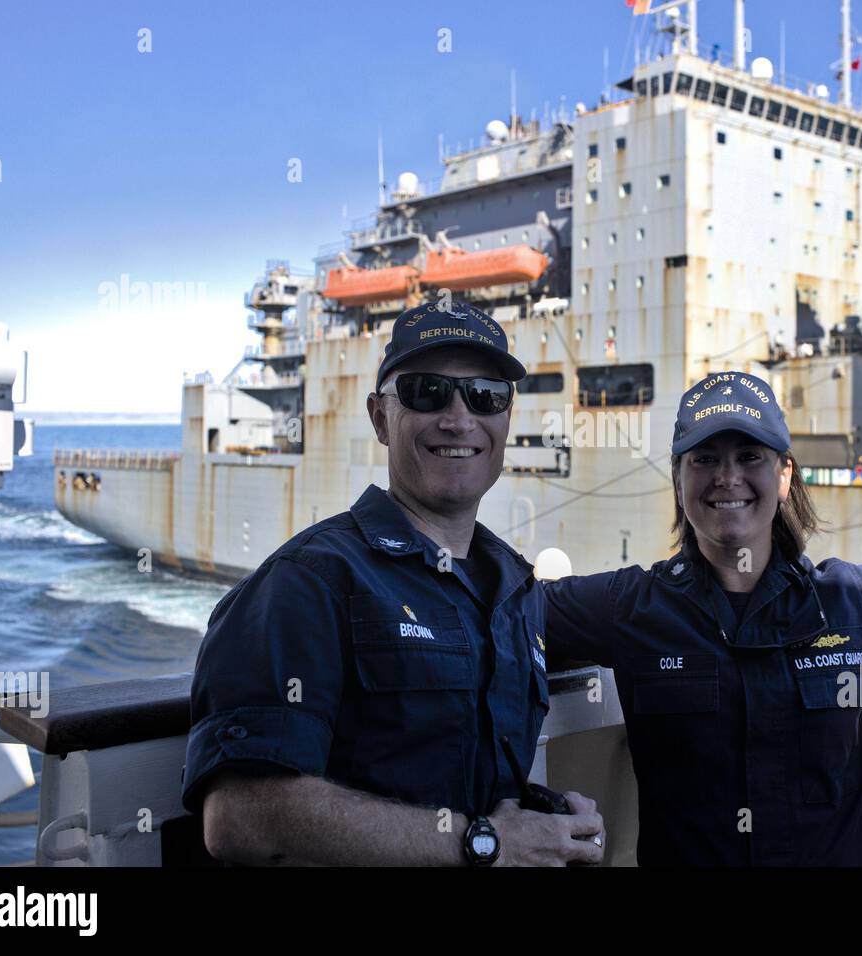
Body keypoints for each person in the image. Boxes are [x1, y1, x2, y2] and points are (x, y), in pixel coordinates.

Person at [543, 370, 862, 866]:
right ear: (679, 479)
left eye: (750, 456)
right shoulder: (629, 608)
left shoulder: (851, 599)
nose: (727, 478)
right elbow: (511, 609)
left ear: (783, 474)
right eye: (703, 459)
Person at [181, 298, 604, 866]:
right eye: (426, 392)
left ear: (506, 418)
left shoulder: (516, 591)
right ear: (380, 417)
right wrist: (484, 843)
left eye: (486, 396)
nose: (458, 419)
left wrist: (541, 820)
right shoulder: (307, 582)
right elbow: (239, 815)